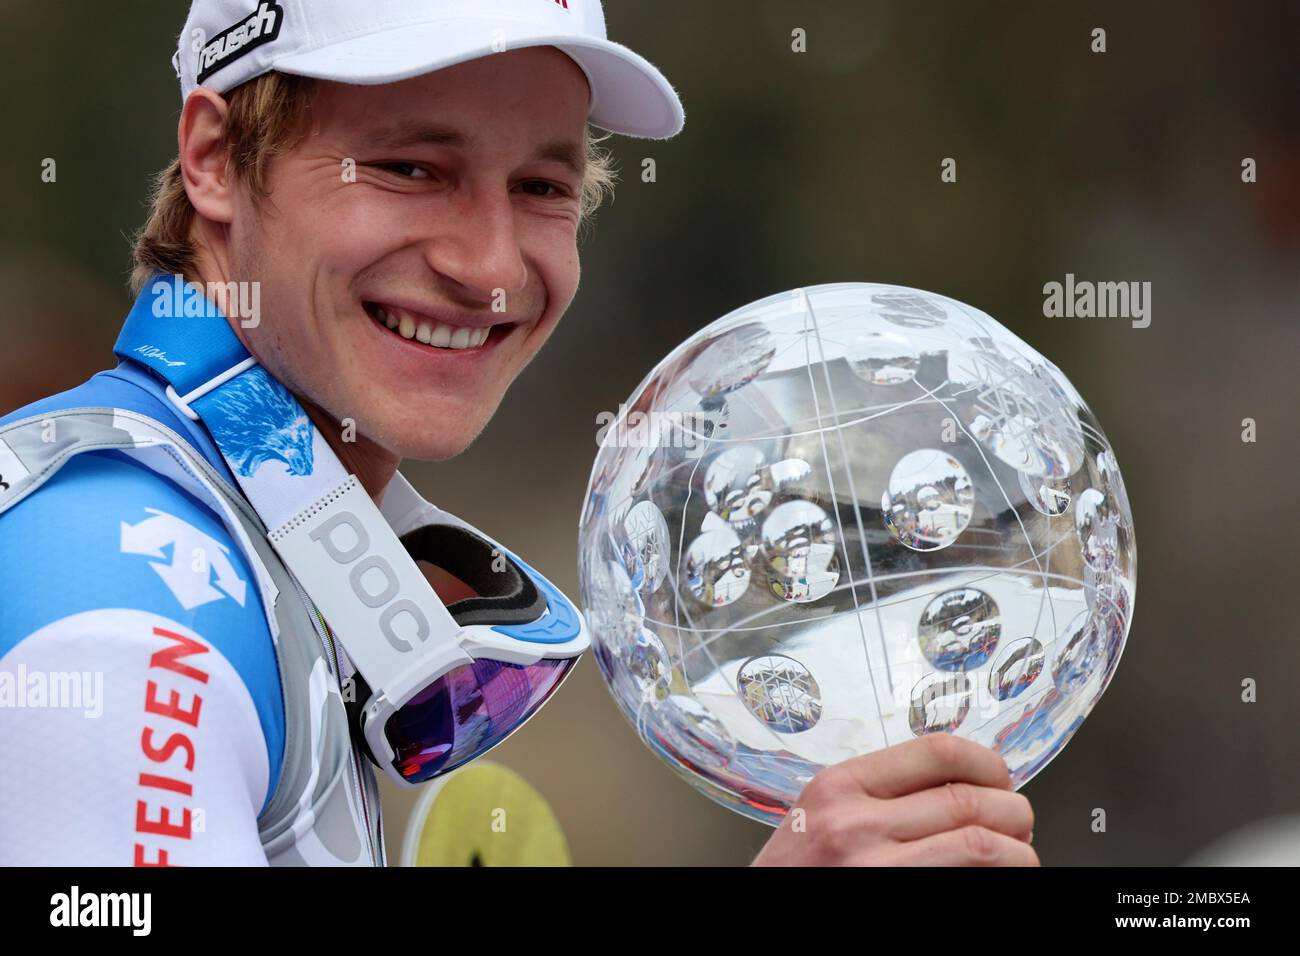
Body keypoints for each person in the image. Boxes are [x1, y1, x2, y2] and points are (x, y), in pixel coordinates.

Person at [0, 0, 1036, 867]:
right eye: (411, 168)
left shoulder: (245, 535)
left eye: (541, 188)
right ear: (216, 160)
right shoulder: (130, 619)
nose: (491, 264)